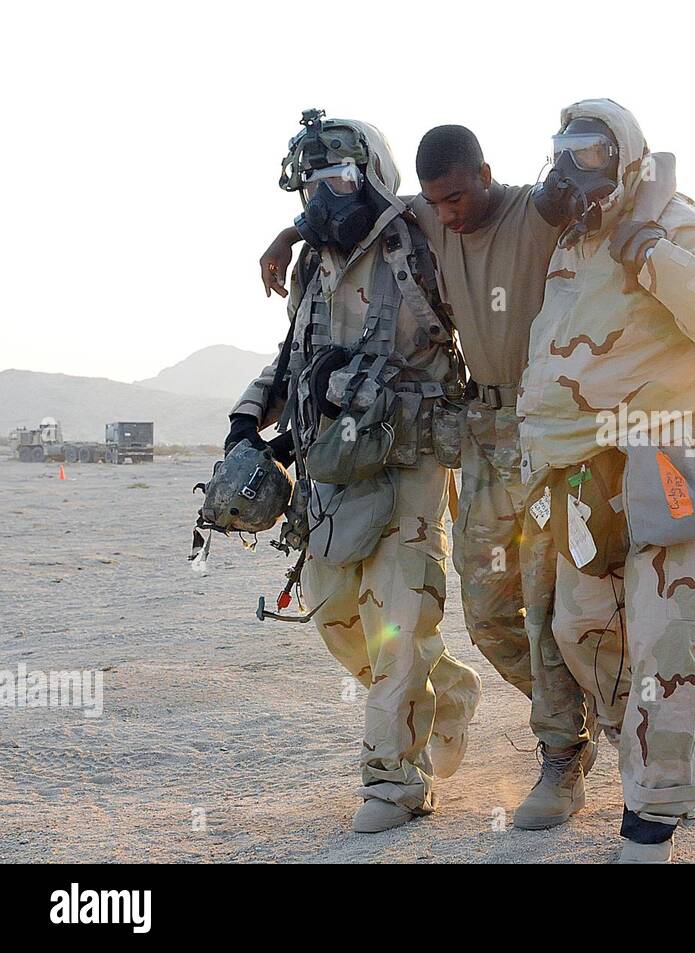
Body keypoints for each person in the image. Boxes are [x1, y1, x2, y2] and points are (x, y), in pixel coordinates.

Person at [257, 123, 595, 829]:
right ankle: (496, 699)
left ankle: (568, 747)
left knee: (534, 601)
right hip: (431, 445)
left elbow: (597, 202)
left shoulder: (483, 221)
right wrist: (290, 232)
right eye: (437, 203)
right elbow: (349, 212)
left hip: (516, 437)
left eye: (458, 197)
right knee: (463, 612)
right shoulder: (385, 236)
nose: (449, 213)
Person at [518, 98, 695, 862]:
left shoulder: (676, 221)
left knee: (665, 634)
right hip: (578, 480)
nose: (571, 167)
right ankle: (679, 738)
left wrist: (652, 249)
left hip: (666, 459)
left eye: (591, 153)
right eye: (563, 151)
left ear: (624, 157)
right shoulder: (568, 244)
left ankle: (653, 816)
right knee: (581, 628)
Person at [231, 113, 482, 833]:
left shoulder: (419, 238)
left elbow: (479, 222)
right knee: (335, 614)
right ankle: (450, 691)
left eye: (339, 179)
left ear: (373, 176)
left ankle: (395, 781)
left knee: (399, 618)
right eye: (311, 186)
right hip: (332, 466)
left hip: (410, 458)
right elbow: (293, 357)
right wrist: (247, 420)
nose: (325, 197)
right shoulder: (313, 263)